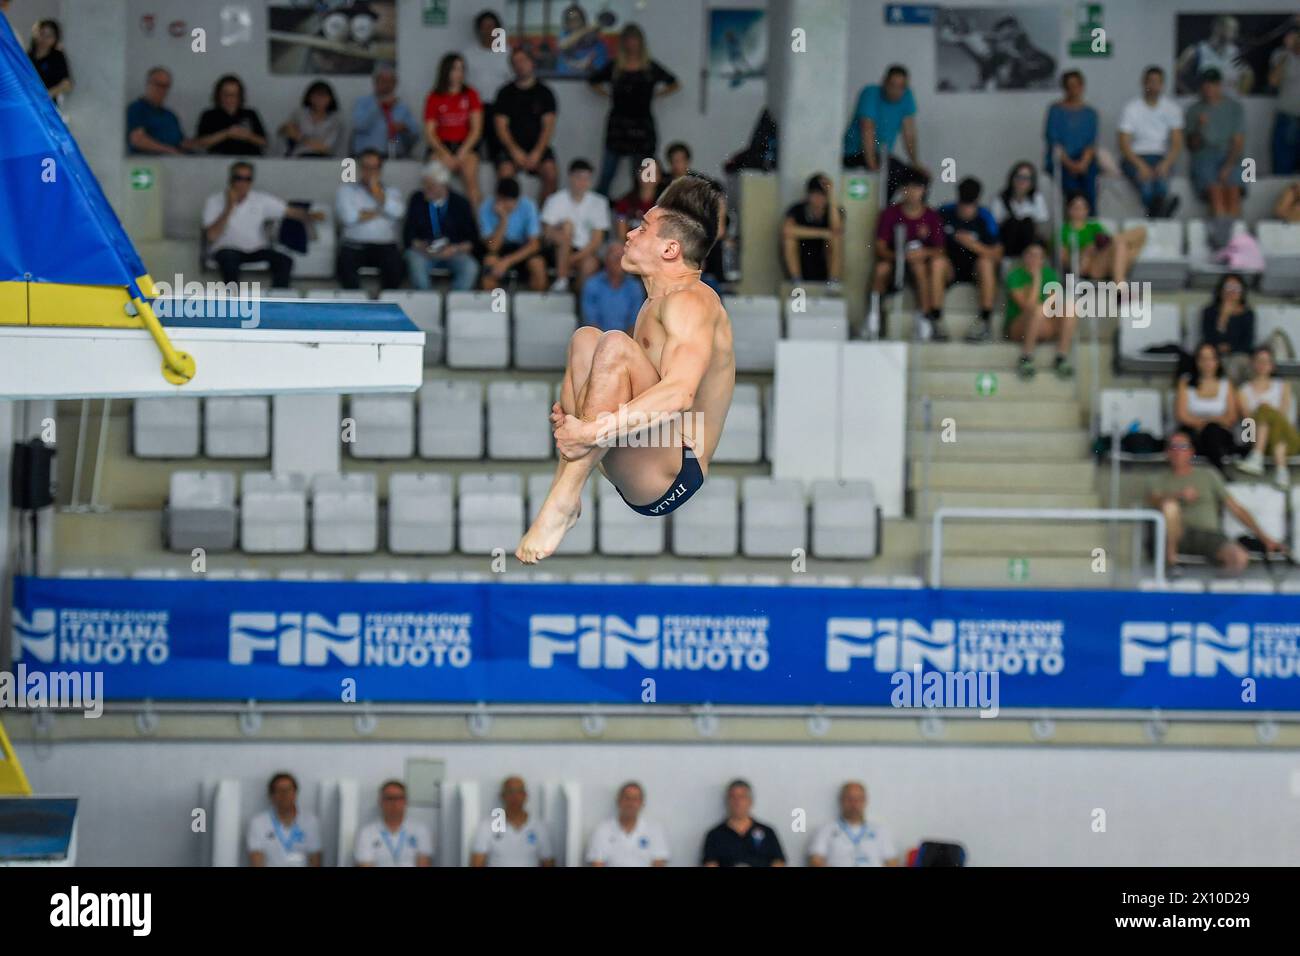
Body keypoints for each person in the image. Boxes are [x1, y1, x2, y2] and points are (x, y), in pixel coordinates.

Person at [515, 175, 734, 562]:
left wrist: (590, 430)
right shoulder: (655, 300)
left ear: (670, 249)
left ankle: (564, 499)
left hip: (673, 471)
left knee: (615, 344)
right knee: (587, 339)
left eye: (643, 228)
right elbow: (625, 385)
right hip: (640, 451)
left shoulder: (692, 302)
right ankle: (567, 491)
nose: (629, 234)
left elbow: (680, 393)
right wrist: (580, 408)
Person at [1147, 429, 1285, 576]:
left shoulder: (1208, 474)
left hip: (1209, 536)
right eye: (1173, 447)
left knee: (1239, 557)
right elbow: (1154, 500)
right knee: (1170, 506)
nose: (1178, 451)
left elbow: (1235, 508)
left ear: (1192, 451)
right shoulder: (1159, 478)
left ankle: (1219, 586)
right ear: (1167, 452)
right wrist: (1178, 495)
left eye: (1183, 446)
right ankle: (1172, 564)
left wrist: (1264, 538)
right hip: (1176, 537)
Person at [587, 24, 680, 198]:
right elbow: (593, 80)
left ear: (641, 42)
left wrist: (659, 94)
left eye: (635, 40)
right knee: (607, 173)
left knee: (641, 175)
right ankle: (597, 208)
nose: (632, 44)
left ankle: (640, 210)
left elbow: (674, 83)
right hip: (618, 125)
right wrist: (605, 94)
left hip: (642, 125)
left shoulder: (650, 67)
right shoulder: (615, 66)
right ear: (623, 43)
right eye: (628, 40)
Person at [203, 161, 319, 287]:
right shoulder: (214, 201)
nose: (243, 183)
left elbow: (289, 212)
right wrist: (229, 207)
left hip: (256, 249)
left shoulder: (260, 199)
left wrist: (313, 215)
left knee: (285, 261)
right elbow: (211, 236)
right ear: (230, 180)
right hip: (227, 249)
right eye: (238, 178)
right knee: (228, 260)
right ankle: (232, 297)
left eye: (247, 179)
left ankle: (277, 297)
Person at [871, 170, 947, 341]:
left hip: (921, 266)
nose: (912, 192)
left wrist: (923, 253)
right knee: (881, 269)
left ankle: (926, 317)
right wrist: (901, 256)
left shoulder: (932, 216)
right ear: (902, 189)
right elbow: (880, 248)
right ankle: (874, 317)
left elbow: (940, 249)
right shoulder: (890, 214)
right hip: (895, 262)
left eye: (917, 188)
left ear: (924, 191)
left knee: (920, 267)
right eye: (908, 188)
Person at [842, 64, 926, 198]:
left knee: (919, 178)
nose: (896, 91)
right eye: (893, 85)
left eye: (901, 87)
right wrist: (873, 167)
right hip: (855, 154)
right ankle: (883, 210)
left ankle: (910, 211)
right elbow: (867, 130)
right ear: (884, 82)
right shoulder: (870, 93)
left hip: (882, 156)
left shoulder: (907, 96)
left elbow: (909, 134)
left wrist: (915, 163)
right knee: (892, 172)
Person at [937, 176, 1002, 343]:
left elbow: (997, 253)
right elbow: (932, 245)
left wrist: (972, 244)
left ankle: (984, 321)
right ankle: (935, 319)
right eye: (963, 205)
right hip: (950, 267)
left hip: (975, 270)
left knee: (986, 263)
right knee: (937, 262)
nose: (966, 210)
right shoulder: (944, 212)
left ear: (977, 202)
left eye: (970, 205)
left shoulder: (985, 217)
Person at [494, 47, 560, 202]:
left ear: (532, 63)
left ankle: (541, 214)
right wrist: (515, 152)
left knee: (551, 174)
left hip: (538, 147)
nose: (520, 65)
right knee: (505, 175)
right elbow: (501, 128)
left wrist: (537, 153)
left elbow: (548, 128)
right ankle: (509, 215)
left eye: (523, 60)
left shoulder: (545, 92)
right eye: (515, 62)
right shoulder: (504, 93)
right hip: (511, 148)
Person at [335, 148, 406, 290]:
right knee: (344, 265)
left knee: (397, 266)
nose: (370, 172)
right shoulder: (346, 191)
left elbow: (399, 213)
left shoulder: (392, 191)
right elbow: (348, 217)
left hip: (386, 246)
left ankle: (386, 301)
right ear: (360, 169)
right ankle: (354, 301)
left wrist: (377, 194)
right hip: (353, 245)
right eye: (366, 167)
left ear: (380, 170)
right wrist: (381, 212)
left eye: (374, 168)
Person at [1118, 66, 1184, 218]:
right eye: (1150, 82)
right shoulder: (1131, 108)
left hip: (1161, 156)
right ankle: (1162, 212)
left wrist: (1166, 163)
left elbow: (1176, 143)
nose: (1154, 86)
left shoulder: (1172, 108)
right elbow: (1123, 144)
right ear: (1143, 83)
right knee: (1146, 186)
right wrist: (1140, 165)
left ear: (1162, 85)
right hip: (1135, 157)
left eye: (1157, 82)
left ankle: (1155, 213)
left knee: (1161, 184)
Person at [404, 160, 480, 291]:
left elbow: (472, 240)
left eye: (430, 186)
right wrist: (423, 246)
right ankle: (427, 300)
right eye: (424, 184)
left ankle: (454, 301)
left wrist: (454, 249)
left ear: (443, 186)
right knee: (415, 262)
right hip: (424, 252)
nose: (426, 189)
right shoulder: (417, 199)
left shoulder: (460, 203)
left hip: (453, 252)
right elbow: (408, 236)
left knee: (470, 267)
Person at [1004, 241, 1074, 381]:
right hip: (1018, 326)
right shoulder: (1014, 275)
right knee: (1038, 310)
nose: (1034, 259)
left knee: (1070, 308)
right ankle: (1026, 357)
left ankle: (1061, 357)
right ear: (1024, 256)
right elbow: (1027, 307)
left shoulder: (1050, 274)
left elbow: (1053, 305)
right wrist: (1036, 279)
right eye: (1030, 254)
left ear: (1043, 259)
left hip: (1042, 324)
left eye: (1038, 256)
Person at [424, 53, 483, 211]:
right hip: (441, 147)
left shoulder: (471, 94)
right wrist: (445, 154)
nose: (459, 73)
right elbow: (430, 133)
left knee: (471, 182)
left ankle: (476, 223)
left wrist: (461, 153)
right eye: (454, 69)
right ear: (446, 71)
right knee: (434, 181)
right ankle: (437, 222)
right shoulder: (434, 97)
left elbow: (476, 129)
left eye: (461, 69)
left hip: (466, 146)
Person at [540, 159, 610, 293]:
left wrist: (572, 258)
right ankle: (562, 279)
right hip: (555, 251)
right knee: (567, 226)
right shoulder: (555, 199)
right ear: (570, 177)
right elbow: (547, 232)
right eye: (579, 178)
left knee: (590, 265)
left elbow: (596, 240)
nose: (583, 182)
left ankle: (575, 295)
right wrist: (564, 240)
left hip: (583, 252)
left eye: (587, 178)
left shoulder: (599, 202)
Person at [1185, 68, 1246, 219]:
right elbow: (1192, 147)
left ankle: (1233, 230)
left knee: (1234, 191)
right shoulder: (1193, 110)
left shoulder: (1235, 107)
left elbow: (1238, 142)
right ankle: (1221, 229)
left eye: (1212, 84)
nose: (1208, 88)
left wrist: (1228, 166)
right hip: (1204, 156)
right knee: (1215, 192)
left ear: (1219, 85)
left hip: (1232, 155)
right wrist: (1199, 127)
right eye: (1205, 85)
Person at [1176, 342, 1243, 475]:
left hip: (1219, 435)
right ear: (1197, 361)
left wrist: (1208, 423)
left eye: (1211, 358)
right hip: (1194, 435)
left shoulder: (1226, 384)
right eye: (1203, 359)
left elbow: (1232, 417)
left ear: (1217, 361)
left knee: (1212, 431)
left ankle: (1216, 473)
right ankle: (1220, 474)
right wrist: (1207, 423)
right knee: (1188, 439)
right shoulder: (1185, 382)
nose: (1207, 363)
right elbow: (1181, 415)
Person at [1238, 346, 1297, 487]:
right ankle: (1281, 471)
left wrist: (1264, 409)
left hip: (1287, 437)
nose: (1262, 365)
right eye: (1259, 361)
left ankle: (1256, 457)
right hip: (1253, 436)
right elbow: (1248, 421)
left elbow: (1281, 417)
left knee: (1265, 410)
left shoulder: (1283, 386)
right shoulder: (1243, 390)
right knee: (1263, 411)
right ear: (1253, 363)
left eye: (1266, 361)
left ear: (1272, 365)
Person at [1058, 192, 1146, 285]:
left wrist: (1095, 246)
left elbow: (1107, 245)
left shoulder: (1093, 226)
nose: (1080, 212)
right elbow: (1062, 258)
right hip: (1089, 267)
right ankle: (1120, 284)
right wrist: (1085, 252)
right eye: (1077, 208)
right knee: (1120, 245)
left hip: (1105, 259)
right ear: (1069, 209)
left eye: (1083, 208)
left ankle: (1120, 284)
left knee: (1138, 232)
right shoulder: (1064, 231)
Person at [808, 781, 900, 868]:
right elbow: (815, 861)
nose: (854, 804)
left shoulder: (880, 831)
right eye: (849, 799)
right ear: (841, 801)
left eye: (858, 799)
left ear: (865, 801)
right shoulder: (825, 830)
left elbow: (892, 862)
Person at [469, 776, 556, 867]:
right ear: (502, 796)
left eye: (519, 792)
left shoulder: (540, 827)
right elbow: (477, 862)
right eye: (510, 792)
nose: (515, 797)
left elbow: (548, 862)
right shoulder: (487, 826)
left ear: (525, 795)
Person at [478, 176, 547, 291]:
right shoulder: (486, 207)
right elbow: (491, 245)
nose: (509, 205)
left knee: (537, 264)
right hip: (499, 248)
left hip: (522, 249)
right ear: (498, 198)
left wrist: (508, 261)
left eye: (513, 201)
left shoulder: (529, 206)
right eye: (504, 201)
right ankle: (494, 302)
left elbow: (534, 244)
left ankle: (535, 302)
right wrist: (503, 220)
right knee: (489, 263)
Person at [462, 10, 514, 162]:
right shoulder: (468, 54)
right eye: (484, 27)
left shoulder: (506, 53)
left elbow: (512, 82)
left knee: (498, 152)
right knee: (472, 151)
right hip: (474, 109)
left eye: (492, 26)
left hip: (500, 109)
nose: (488, 30)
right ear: (478, 29)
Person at [1044, 70, 1098, 213]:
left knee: (1090, 187)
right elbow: (1054, 141)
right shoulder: (1055, 110)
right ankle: (1071, 221)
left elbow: (1090, 143)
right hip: (1061, 161)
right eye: (1069, 86)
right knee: (1071, 188)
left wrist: (1083, 163)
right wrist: (1070, 164)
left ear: (1082, 86)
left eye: (1076, 85)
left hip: (1084, 161)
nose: (1073, 90)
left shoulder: (1090, 113)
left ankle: (1091, 220)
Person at [701, 779, 785, 867]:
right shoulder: (714, 835)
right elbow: (710, 864)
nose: (737, 802)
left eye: (742, 797)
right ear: (727, 801)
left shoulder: (767, 832)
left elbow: (778, 862)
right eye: (733, 797)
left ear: (750, 801)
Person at [781, 173, 843, 291]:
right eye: (815, 194)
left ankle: (833, 281)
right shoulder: (797, 209)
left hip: (824, 262)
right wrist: (823, 233)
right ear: (809, 195)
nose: (819, 199)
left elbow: (836, 230)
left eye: (822, 195)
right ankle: (796, 280)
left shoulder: (834, 210)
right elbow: (787, 231)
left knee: (835, 240)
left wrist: (832, 195)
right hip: (803, 261)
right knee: (789, 241)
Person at [585, 781, 670, 867]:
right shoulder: (602, 830)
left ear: (642, 803)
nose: (630, 803)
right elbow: (597, 863)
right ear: (618, 801)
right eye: (627, 798)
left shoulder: (655, 830)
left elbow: (659, 863)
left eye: (635, 799)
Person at [247, 772, 322, 867]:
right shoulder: (258, 823)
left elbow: (315, 860)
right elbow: (256, 862)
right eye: (279, 790)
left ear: (295, 793)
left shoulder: (310, 821)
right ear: (271, 795)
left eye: (288, 790)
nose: (284, 794)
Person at [354, 780, 433, 867]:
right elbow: (365, 864)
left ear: (405, 801)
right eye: (390, 798)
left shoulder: (420, 830)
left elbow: (424, 863)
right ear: (380, 801)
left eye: (399, 798)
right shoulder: (367, 832)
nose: (395, 803)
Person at [351, 62, 418, 158]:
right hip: (366, 156)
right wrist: (379, 105)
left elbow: (416, 135)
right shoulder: (362, 102)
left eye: (390, 81)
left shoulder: (402, 107)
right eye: (383, 81)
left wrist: (405, 127)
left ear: (395, 84)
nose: (387, 85)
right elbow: (359, 125)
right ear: (375, 82)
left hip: (396, 156)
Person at [1199, 273, 1255, 384]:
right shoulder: (1209, 312)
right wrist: (1223, 318)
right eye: (1228, 287)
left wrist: (1230, 348)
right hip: (1214, 354)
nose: (1232, 291)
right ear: (1221, 290)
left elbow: (1247, 342)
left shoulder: (1248, 314)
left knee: (1237, 363)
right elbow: (1208, 338)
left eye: (1236, 288)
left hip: (1239, 354)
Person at [1176, 14, 1251, 97]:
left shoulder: (1236, 51)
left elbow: (1248, 75)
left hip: (1230, 100)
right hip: (1206, 101)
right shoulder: (1196, 50)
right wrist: (1190, 95)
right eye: (1232, 29)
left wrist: (1240, 95)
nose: (1235, 34)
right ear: (1217, 28)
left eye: (1235, 30)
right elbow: (1176, 74)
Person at [194, 74, 268, 156]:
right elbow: (199, 143)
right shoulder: (209, 115)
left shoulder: (250, 114)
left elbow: (264, 142)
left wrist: (247, 136)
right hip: (217, 160)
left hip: (248, 159)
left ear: (240, 96)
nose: (230, 98)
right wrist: (226, 134)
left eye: (234, 94)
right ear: (218, 95)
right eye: (225, 94)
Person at [989, 161, 1050, 258]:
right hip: (1007, 242)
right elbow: (994, 227)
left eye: (1026, 178)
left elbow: (1041, 225)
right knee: (1013, 223)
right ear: (1012, 178)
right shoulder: (1000, 198)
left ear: (1032, 182)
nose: (1022, 181)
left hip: (1029, 241)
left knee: (1027, 222)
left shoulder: (1037, 198)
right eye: (1019, 177)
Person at [127, 67, 193, 155]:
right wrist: (169, 150)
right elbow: (137, 140)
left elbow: (182, 142)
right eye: (158, 85)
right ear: (148, 84)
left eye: (166, 86)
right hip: (148, 161)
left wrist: (201, 143)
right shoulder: (136, 109)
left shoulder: (170, 115)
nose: (162, 90)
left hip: (175, 159)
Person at [581, 241, 645, 332]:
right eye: (616, 257)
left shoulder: (634, 286)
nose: (619, 261)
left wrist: (623, 340)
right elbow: (590, 321)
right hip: (597, 338)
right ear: (606, 260)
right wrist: (606, 340)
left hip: (628, 338)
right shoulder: (592, 284)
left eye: (622, 257)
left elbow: (635, 322)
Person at [278, 79, 343, 158]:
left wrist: (302, 138)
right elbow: (284, 130)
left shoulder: (336, 120)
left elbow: (326, 148)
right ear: (309, 97)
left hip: (323, 158)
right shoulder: (300, 113)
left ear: (330, 99)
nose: (319, 100)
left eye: (323, 96)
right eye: (315, 96)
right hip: (298, 156)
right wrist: (289, 129)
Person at [1269, 24, 1300, 175]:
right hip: (1288, 119)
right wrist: (1288, 51)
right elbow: (1273, 81)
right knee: (1282, 170)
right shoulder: (1280, 54)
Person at [613, 159, 663, 240]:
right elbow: (622, 235)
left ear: (660, 176)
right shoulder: (624, 202)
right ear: (638, 174)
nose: (650, 176)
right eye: (646, 172)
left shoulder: (666, 205)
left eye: (654, 172)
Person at [27, 19, 70, 99]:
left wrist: (47, 95)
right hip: (27, 99)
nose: (44, 39)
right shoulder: (27, 56)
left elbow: (66, 84)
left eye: (49, 36)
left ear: (55, 39)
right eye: (42, 34)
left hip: (46, 102)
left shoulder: (57, 56)